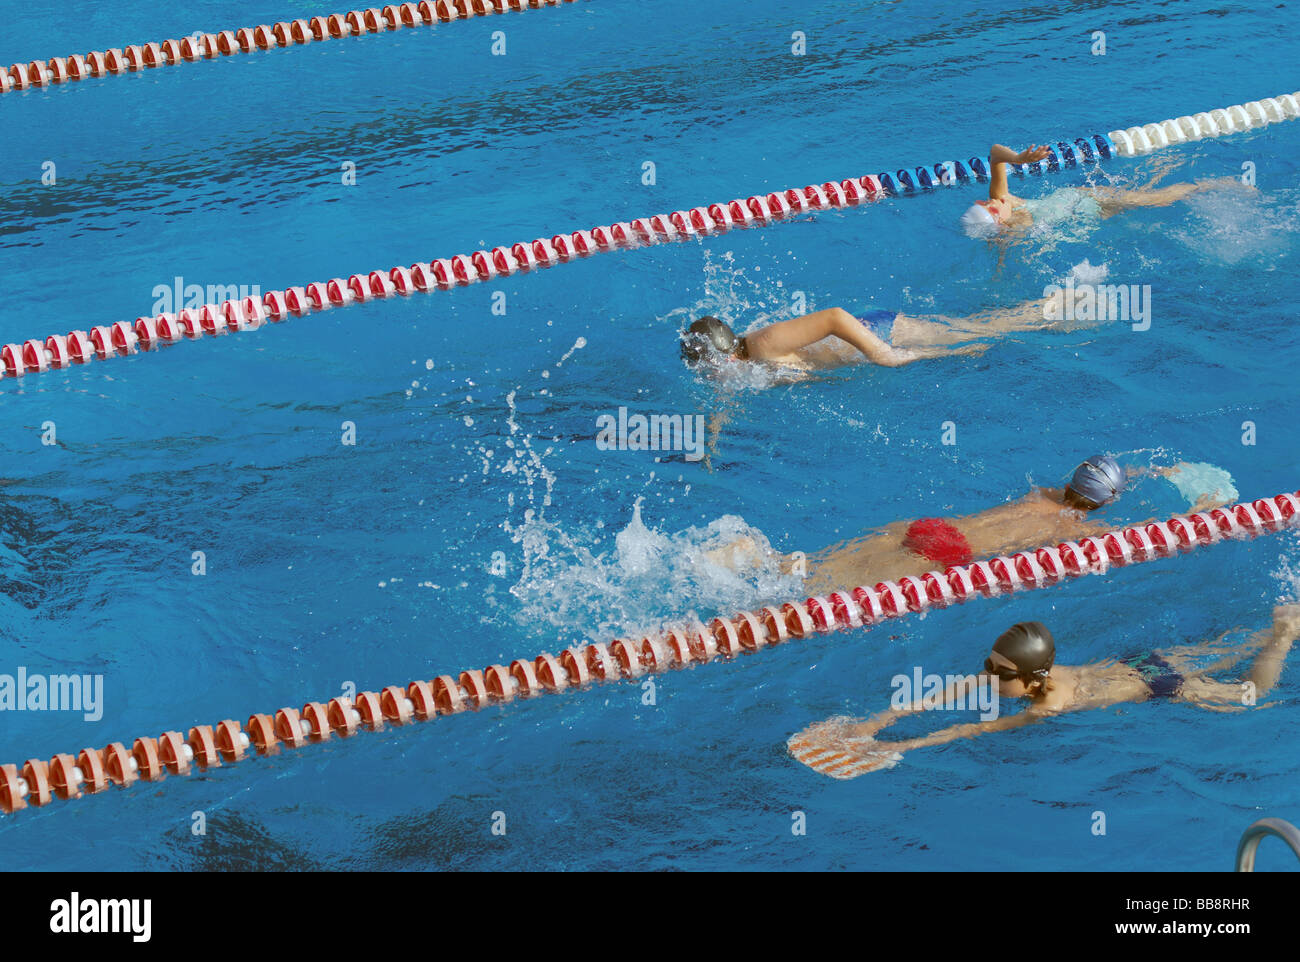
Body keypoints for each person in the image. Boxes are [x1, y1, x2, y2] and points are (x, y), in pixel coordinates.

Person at [788, 608, 1300, 778]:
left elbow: (975, 727)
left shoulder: (1047, 706)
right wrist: (881, 721)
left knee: (1247, 694)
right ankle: (1280, 622)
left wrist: (904, 747)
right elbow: (953, 692)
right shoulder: (1027, 675)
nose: (987, 674)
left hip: (1155, 682)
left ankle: (1283, 636)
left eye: (998, 670)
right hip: (1137, 661)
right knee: (1222, 648)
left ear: (1032, 681)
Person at [707, 455, 1237, 594]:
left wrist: (1150, 470)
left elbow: (1089, 481)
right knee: (824, 591)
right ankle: (760, 578)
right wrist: (1192, 514)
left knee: (814, 566)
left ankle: (757, 556)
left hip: (928, 525)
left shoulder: (1044, 493)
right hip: (948, 554)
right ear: (1103, 504)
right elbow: (1139, 536)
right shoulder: (1071, 530)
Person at [679, 294, 1077, 371]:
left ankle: (1055, 307)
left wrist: (880, 353)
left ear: (724, 357)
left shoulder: (763, 345)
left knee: (980, 329)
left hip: (881, 331)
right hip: (872, 336)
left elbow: (835, 316)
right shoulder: (740, 363)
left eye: (705, 369)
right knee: (970, 341)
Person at [958, 142, 1245, 238]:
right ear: (999, 224)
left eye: (988, 204)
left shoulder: (1003, 197)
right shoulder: (1014, 228)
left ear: (983, 200)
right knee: (1147, 200)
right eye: (994, 211)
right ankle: (1170, 165)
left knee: (1152, 200)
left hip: (1088, 198)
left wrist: (1019, 160)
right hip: (1090, 208)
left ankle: (1207, 185)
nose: (995, 204)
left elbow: (995, 153)